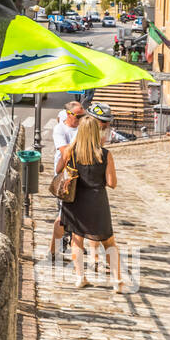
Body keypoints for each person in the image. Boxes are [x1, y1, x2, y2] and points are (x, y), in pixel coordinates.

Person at [56, 109, 136, 293]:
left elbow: (59, 169)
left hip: (75, 199)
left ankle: (79, 277)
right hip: (97, 201)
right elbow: (112, 183)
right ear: (95, 132)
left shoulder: (70, 152)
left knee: (77, 239)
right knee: (108, 242)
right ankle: (117, 282)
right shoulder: (105, 154)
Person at [50, 100, 85, 260]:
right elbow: (65, 152)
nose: (81, 119)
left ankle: (73, 245)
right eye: (79, 116)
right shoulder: (60, 129)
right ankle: (56, 248)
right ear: (69, 114)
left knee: (78, 211)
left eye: (83, 116)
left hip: (81, 173)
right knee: (63, 213)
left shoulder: (83, 128)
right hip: (65, 173)